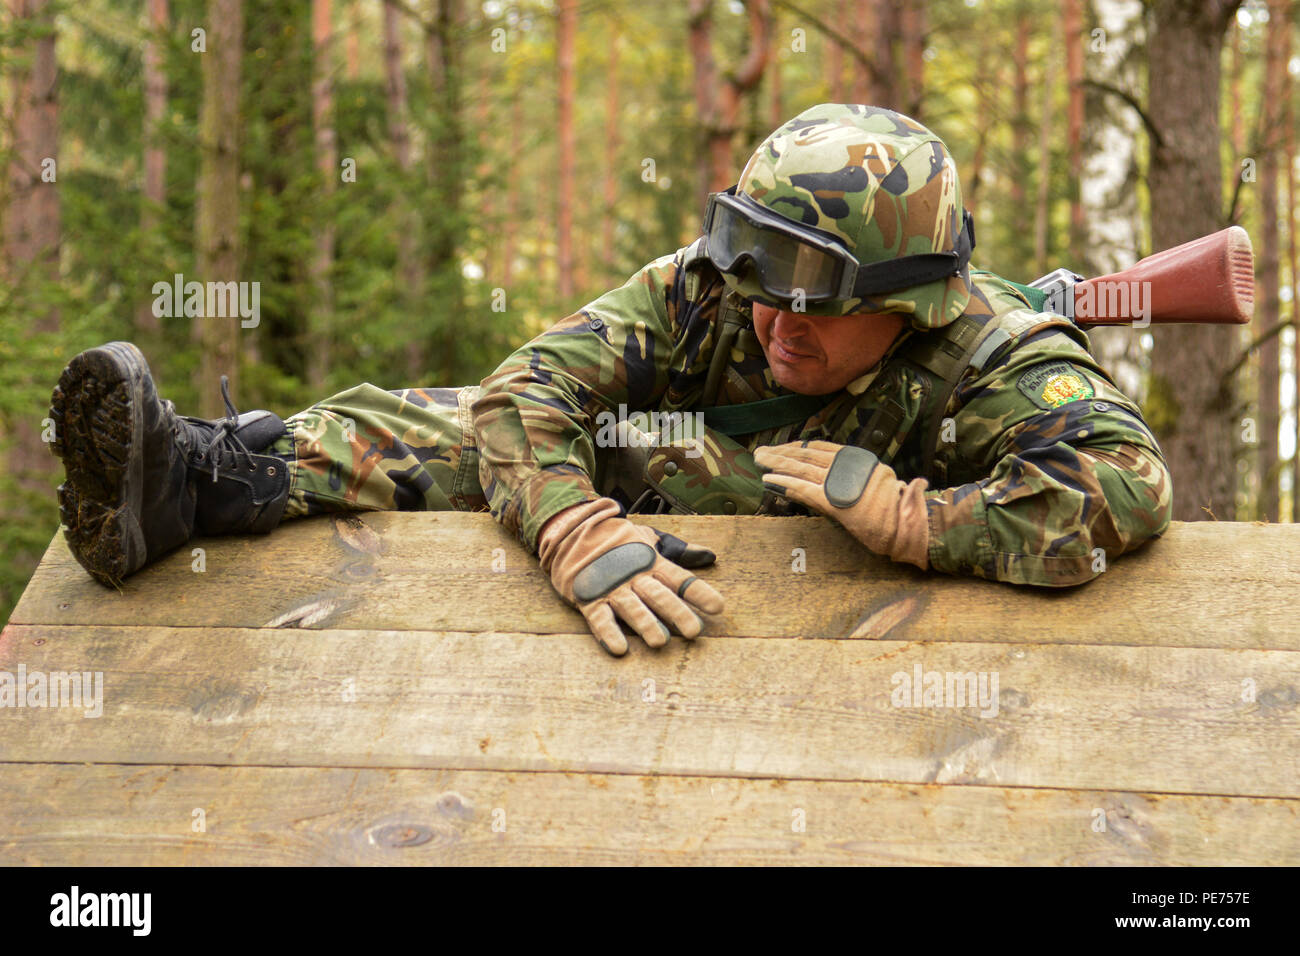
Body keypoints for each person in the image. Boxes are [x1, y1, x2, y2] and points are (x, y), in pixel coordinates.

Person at [48, 103, 1172, 656]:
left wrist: (918, 518)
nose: (772, 318)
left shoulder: (994, 353)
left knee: (637, 450)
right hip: (665, 484)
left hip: (799, 575)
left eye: (815, 302)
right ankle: (199, 472)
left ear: (909, 297)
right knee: (449, 421)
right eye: (760, 278)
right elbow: (521, 391)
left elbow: (1127, 483)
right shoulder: (714, 284)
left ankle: (199, 478)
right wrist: (570, 525)